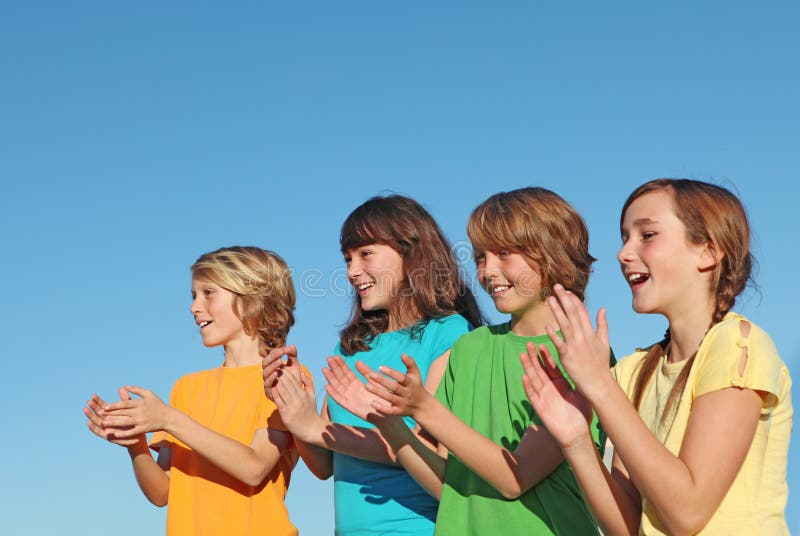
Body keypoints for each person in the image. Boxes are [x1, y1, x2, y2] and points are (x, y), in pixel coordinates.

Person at [327, 187, 610, 535]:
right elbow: (447, 485)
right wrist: (391, 425)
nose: (488, 270)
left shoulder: (582, 354)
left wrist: (422, 407)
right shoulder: (469, 349)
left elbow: (515, 478)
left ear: (553, 251)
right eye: (480, 257)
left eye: (503, 253)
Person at [521, 178, 792, 535]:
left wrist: (600, 384)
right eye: (624, 237)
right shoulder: (631, 372)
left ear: (709, 252)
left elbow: (687, 513)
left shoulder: (738, 344)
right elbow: (628, 526)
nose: (623, 253)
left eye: (647, 235)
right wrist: (577, 441)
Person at [262, 194, 482, 535]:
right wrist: (293, 408)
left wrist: (315, 429)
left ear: (411, 251)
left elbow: (431, 454)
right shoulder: (350, 347)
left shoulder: (449, 333)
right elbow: (324, 465)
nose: (352, 271)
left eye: (365, 254)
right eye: (347, 259)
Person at [84, 246, 300, 535]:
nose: (194, 307)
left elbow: (254, 468)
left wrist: (168, 419)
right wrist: (137, 446)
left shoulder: (282, 377)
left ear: (253, 298)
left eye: (208, 293)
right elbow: (162, 493)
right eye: (194, 296)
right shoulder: (186, 388)